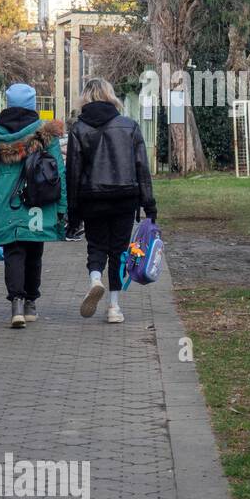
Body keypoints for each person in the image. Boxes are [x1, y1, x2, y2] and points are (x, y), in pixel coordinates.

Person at [65, 77, 156, 324]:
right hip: (125, 198)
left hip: (92, 199)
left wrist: (72, 213)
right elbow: (142, 168)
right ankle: (114, 307)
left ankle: (95, 279)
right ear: (110, 95)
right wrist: (149, 205)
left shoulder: (78, 129)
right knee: (118, 252)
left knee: (96, 246)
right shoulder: (129, 126)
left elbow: (72, 172)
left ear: (86, 97)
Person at [0, 83, 67, 327]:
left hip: (4, 202)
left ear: (7, 105)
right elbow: (58, 172)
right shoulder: (45, 133)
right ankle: (31, 302)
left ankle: (16, 305)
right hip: (37, 201)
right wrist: (62, 206)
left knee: (13, 252)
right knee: (34, 251)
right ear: (33, 105)